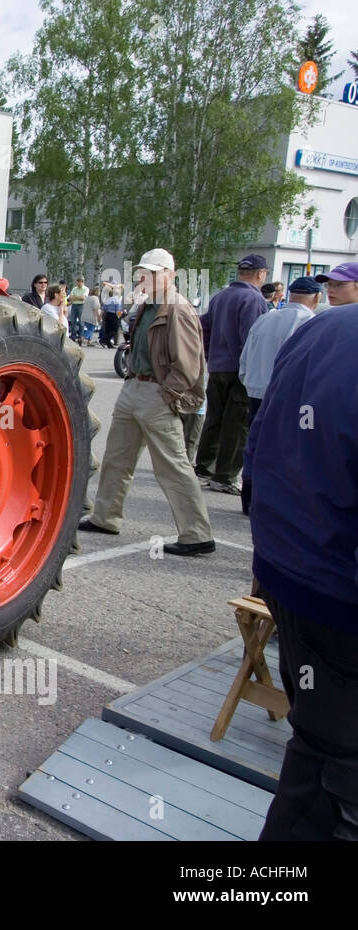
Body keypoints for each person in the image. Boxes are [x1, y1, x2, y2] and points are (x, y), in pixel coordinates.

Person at [243, 295, 358, 840]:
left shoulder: (324, 330)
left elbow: (260, 443)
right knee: (335, 773)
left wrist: (268, 556)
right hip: (334, 597)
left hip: (291, 579)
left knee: (316, 750)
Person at [79, 248, 213, 556]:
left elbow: (190, 364)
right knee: (116, 459)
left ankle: (196, 534)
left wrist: (168, 394)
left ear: (169, 275)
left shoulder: (177, 308)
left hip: (155, 392)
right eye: (143, 272)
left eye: (153, 273)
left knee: (173, 467)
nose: (145, 277)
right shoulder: (150, 304)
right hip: (135, 387)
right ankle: (105, 517)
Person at [237, 275, 321, 515]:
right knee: (285, 449)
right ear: (316, 297)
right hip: (286, 395)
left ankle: (249, 496)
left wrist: (249, 381)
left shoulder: (266, 318)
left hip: (255, 390)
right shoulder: (308, 322)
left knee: (254, 444)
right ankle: (276, 499)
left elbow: (245, 357)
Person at [195, 254, 268, 495]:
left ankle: (204, 467)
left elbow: (204, 328)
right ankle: (224, 476)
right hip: (239, 370)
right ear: (261, 274)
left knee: (214, 418)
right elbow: (251, 338)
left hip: (217, 366)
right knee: (236, 424)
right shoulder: (254, 299)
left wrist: (209, 355)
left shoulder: (220, 296)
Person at [67, 276, 90, 344]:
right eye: (78, 282)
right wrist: (78, 297)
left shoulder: (86, 289)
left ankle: (80, 336)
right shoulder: (74, 289)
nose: (79, 283)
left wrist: (75, 297)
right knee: (73, 321)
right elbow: (70, 298)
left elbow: (83, 298)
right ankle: (73, 336)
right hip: (74, 305)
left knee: (81, 322)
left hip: (81, 305)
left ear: (83, 282)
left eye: (81, 282)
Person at [100, 282, 123, 347]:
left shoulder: (108, 300)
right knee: (114, 330)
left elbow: (104, 309)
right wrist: (119, 317)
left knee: (108, 330)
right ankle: (103, 340)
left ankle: (109, 344)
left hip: (107, 315)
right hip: (113, 316)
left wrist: (101, 316)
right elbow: (118, 310)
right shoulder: (117, 300)